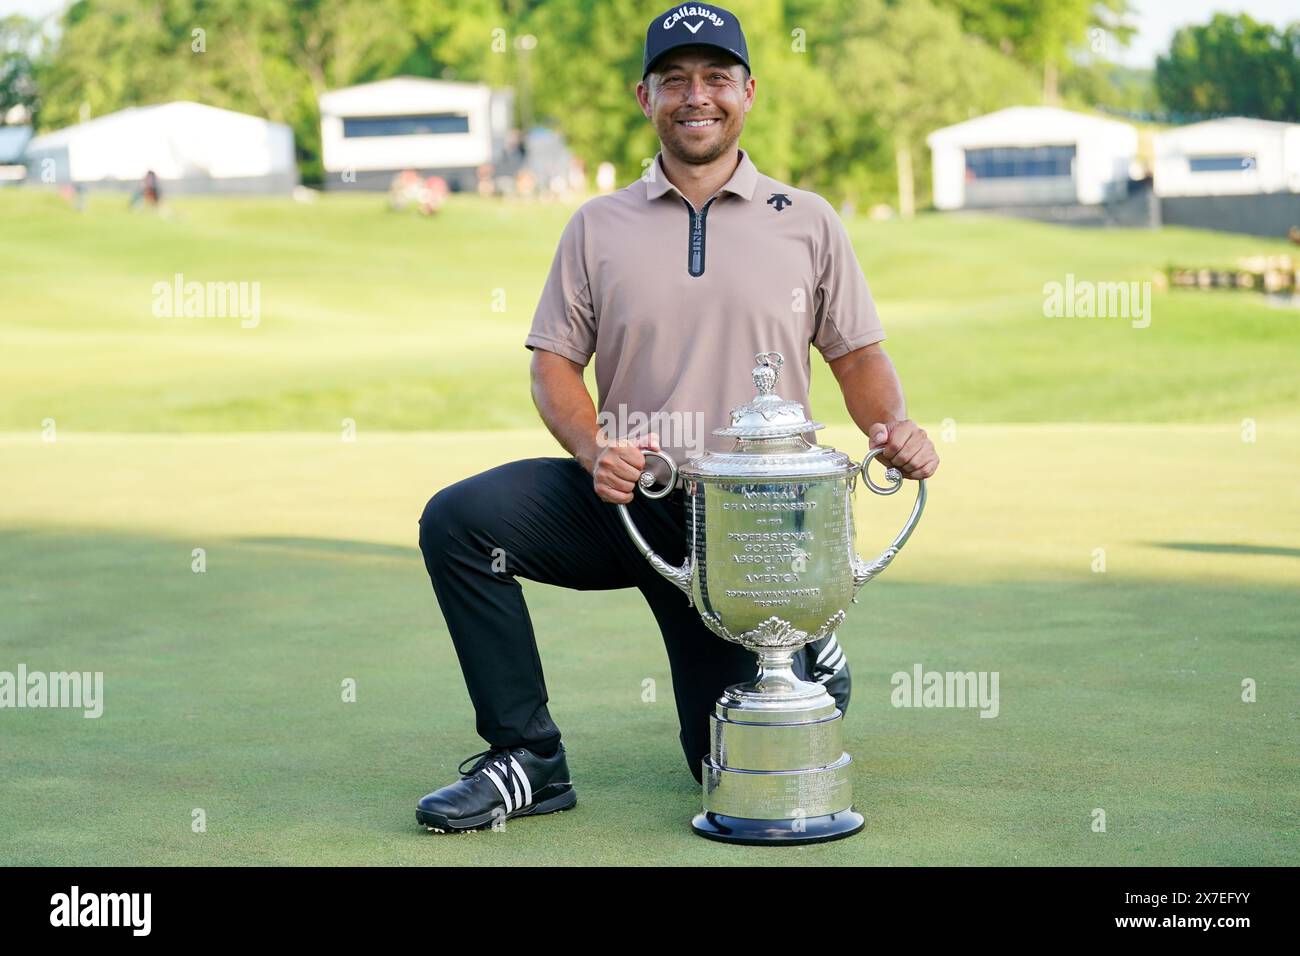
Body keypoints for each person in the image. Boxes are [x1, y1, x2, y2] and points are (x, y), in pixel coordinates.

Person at [415, 2, 939, 833]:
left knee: (719, 762)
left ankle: (798, 638)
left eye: (716, 78)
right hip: (628, 501)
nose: (698, 96)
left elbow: (856, 356)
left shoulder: (805, 220)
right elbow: (553, 365)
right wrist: (595, 454)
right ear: (645, 96)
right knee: (461, 521)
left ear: (748, 92)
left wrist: (894, 431)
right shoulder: (598, 225)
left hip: (750, 531)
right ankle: (528, 760)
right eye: (676, 80)